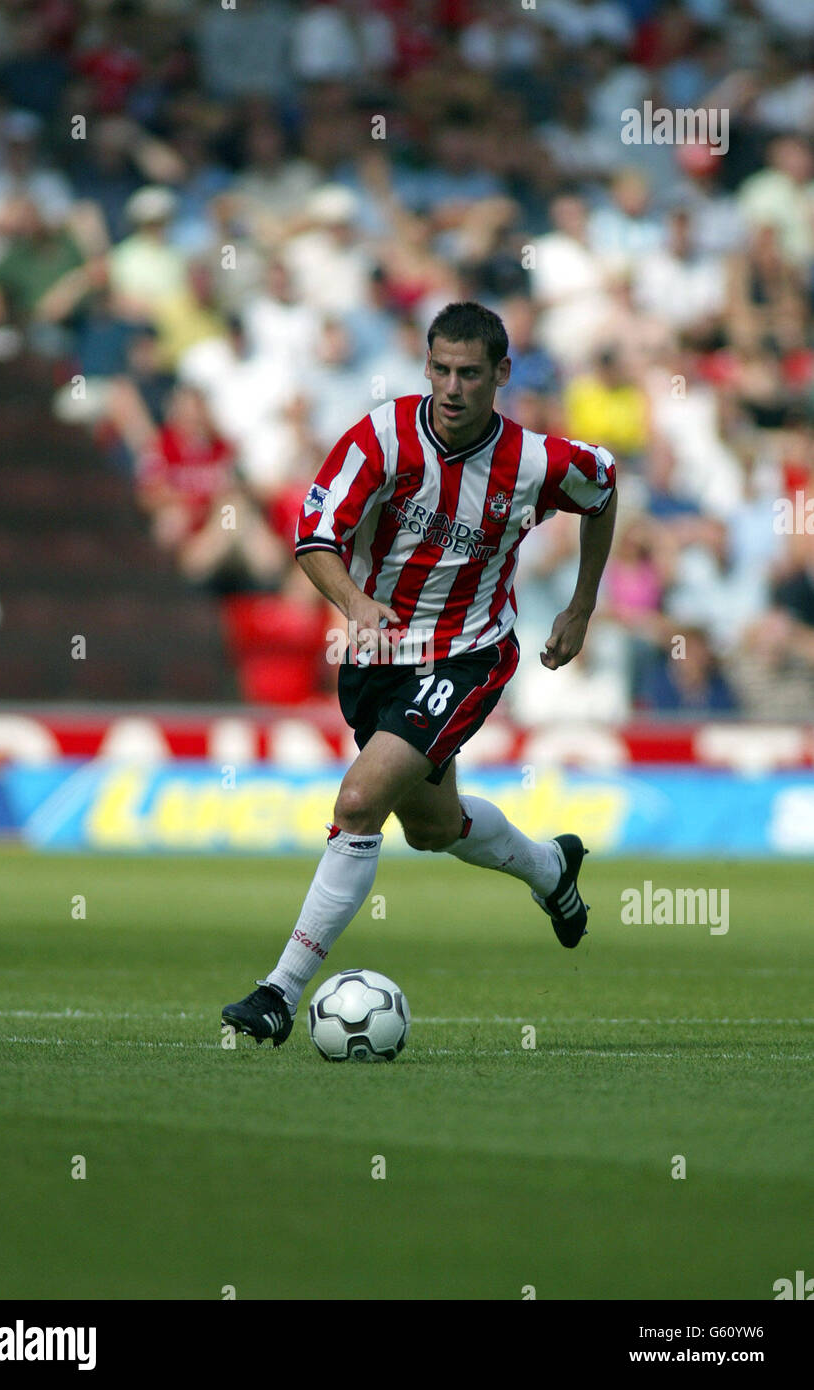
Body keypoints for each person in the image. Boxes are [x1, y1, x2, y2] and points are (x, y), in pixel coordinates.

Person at [222, 301, 618, 1047]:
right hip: (376, 656)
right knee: (434, 828)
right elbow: (314, 535)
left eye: (470, 373)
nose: (452, 387)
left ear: (501, 375)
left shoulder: (535, 462)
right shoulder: (381, 435)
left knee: (360, 799)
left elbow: (602, 487)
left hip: (468, 654)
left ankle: (276, 993)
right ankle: (549, 871)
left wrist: (581, 606)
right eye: (439, 369)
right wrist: (354, 603)